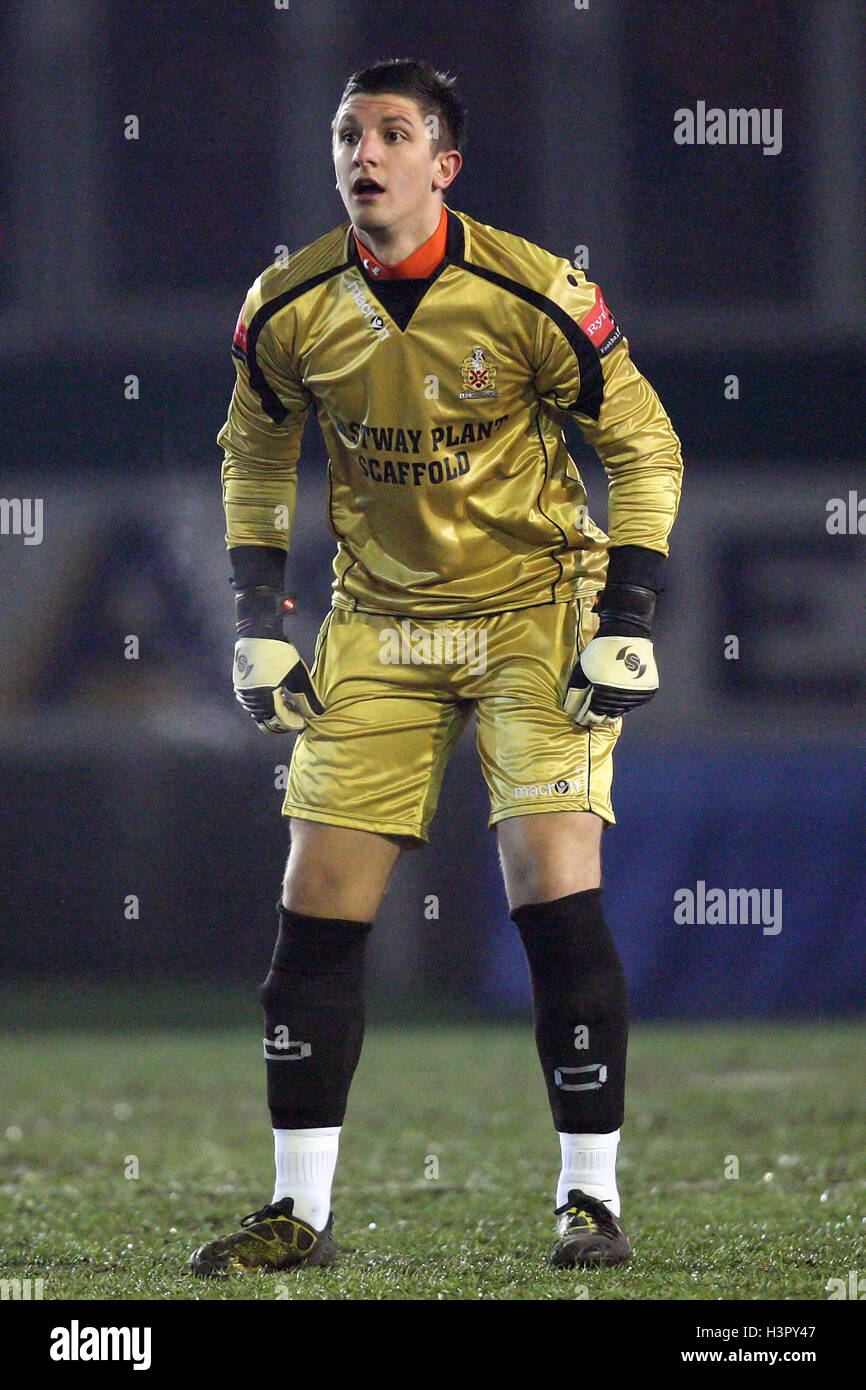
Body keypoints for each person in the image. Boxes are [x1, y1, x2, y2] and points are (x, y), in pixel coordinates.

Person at [190, 57, 682, 1278]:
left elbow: (642, 437)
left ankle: (588, 1200)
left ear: (441, 166)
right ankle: (298, 1212)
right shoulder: (288, 304)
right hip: (381, 620)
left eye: (392, 135)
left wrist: (631, 603)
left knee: (548, 882)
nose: (363, 155)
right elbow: (253, 455)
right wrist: (258, 614)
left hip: (534, 606)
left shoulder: (532, 291)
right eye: (348, 134)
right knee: (316, 909)